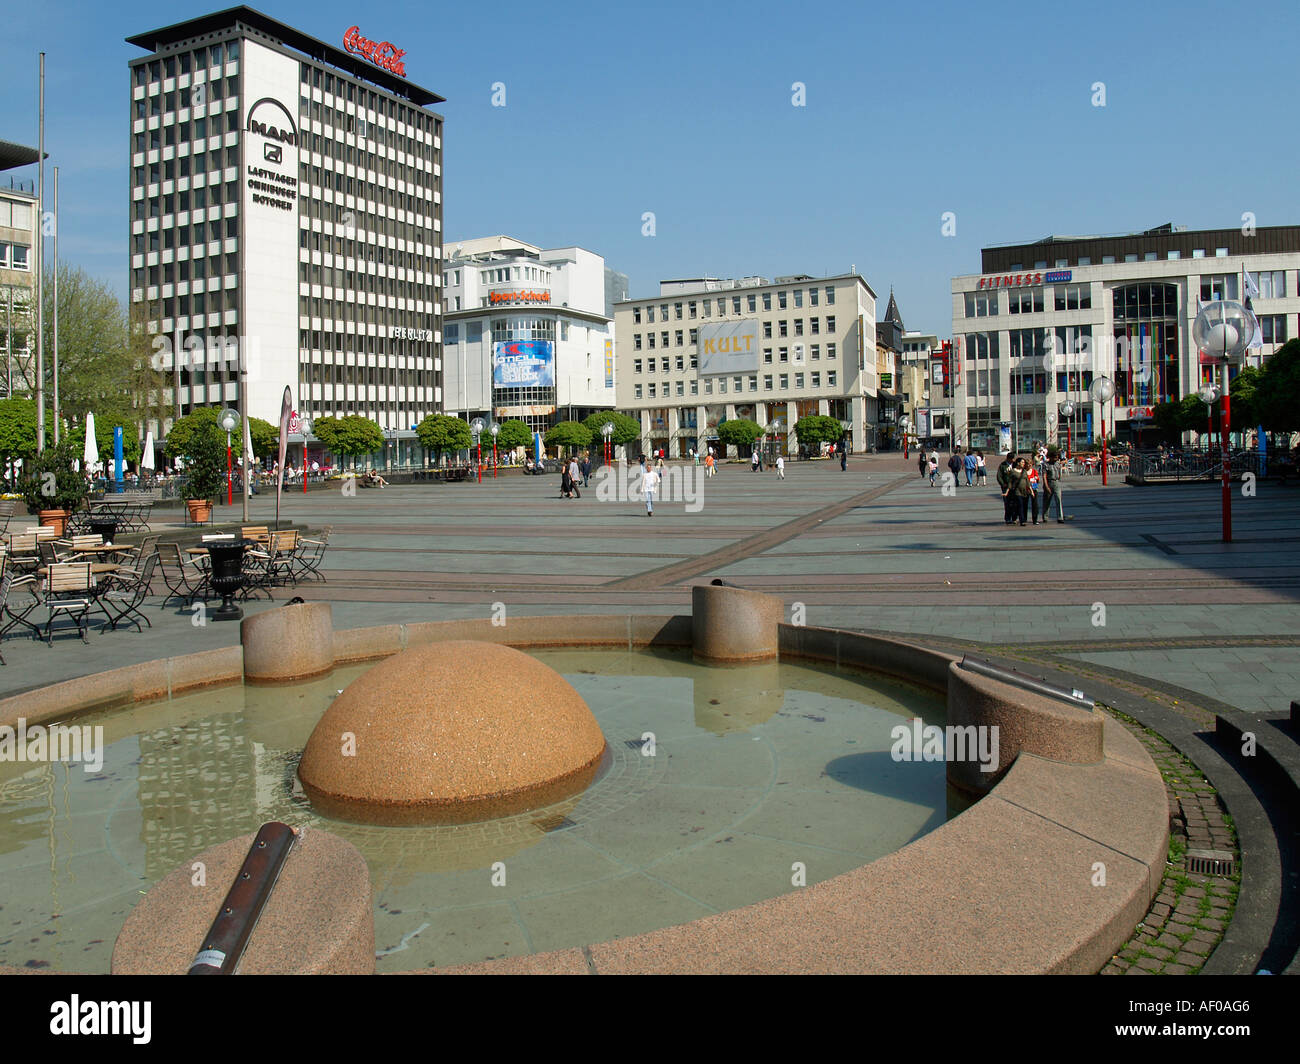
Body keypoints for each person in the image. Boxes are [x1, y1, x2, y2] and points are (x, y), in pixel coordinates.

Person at [1043, 446, 1065, 524]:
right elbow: (1044, 476)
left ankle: (1060, 517)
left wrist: (1059, 478)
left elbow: (1059, 473)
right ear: (1051, 457)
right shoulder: (1046, 464)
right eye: (1055, 458)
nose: (1056, 459)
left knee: (1058, 499)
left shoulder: (1058, 464)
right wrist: (1046, 486)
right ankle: (1045, 517)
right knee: (1047, 501)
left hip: (1056, 482)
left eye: (1057, 457)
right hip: (1049, 482)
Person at [996, 452, 1017, 524]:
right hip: (1006, 486)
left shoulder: (1015, 464)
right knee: (1007, 503)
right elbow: (999, 476)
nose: (1014, 460)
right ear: (1008, 458)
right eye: (1012, 458)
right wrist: (1003, 484)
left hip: (1014, 486)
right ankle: (1008, 518)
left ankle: (1014, 518)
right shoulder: (1002, 465)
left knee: (1015, 502)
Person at [1009, 458, 1031, 526]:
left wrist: (1031, 490)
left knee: (1022, 505)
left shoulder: (1024, 471)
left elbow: (1027, 481)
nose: (1023, 464)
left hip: (1024, 491)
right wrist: (1008, 491)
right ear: (1018, 463)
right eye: (1022, 462)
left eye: (1024, 462)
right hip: (1017, 491)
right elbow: (1010, 481)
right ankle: (1022, 520)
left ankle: (1015, 517)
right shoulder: (1013, 471)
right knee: (1020, 504)